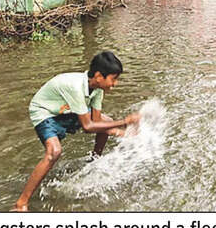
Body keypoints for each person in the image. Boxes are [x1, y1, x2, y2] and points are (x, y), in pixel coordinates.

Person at [13, 50, 140, 211]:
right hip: (45, 112)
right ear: (100, 76)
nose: (115, 84)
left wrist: (123, 131)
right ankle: (21, 203)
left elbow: (97, 121)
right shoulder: (75, 87)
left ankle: (95, 161)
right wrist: (124, 123)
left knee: (106, 122)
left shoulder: (98, 89)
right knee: (54, 152)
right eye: (114, 79)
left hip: (64, 109)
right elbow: (88, 127)